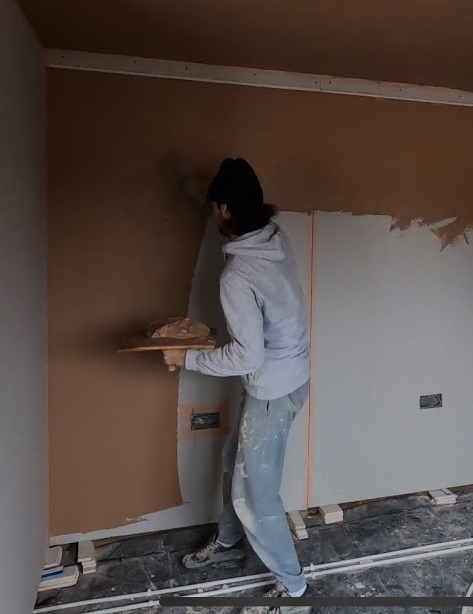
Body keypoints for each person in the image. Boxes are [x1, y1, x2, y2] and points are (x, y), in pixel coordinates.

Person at [162, 158, 311, 613]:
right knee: (235, 462)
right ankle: (228, 539)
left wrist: (184, 357)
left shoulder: (237, 275)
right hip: (291, 378)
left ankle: (295, 589)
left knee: (256, 493)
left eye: (215, 207)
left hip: (271, 389)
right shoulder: (274, 241)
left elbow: (247, 355)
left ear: (224, 210)